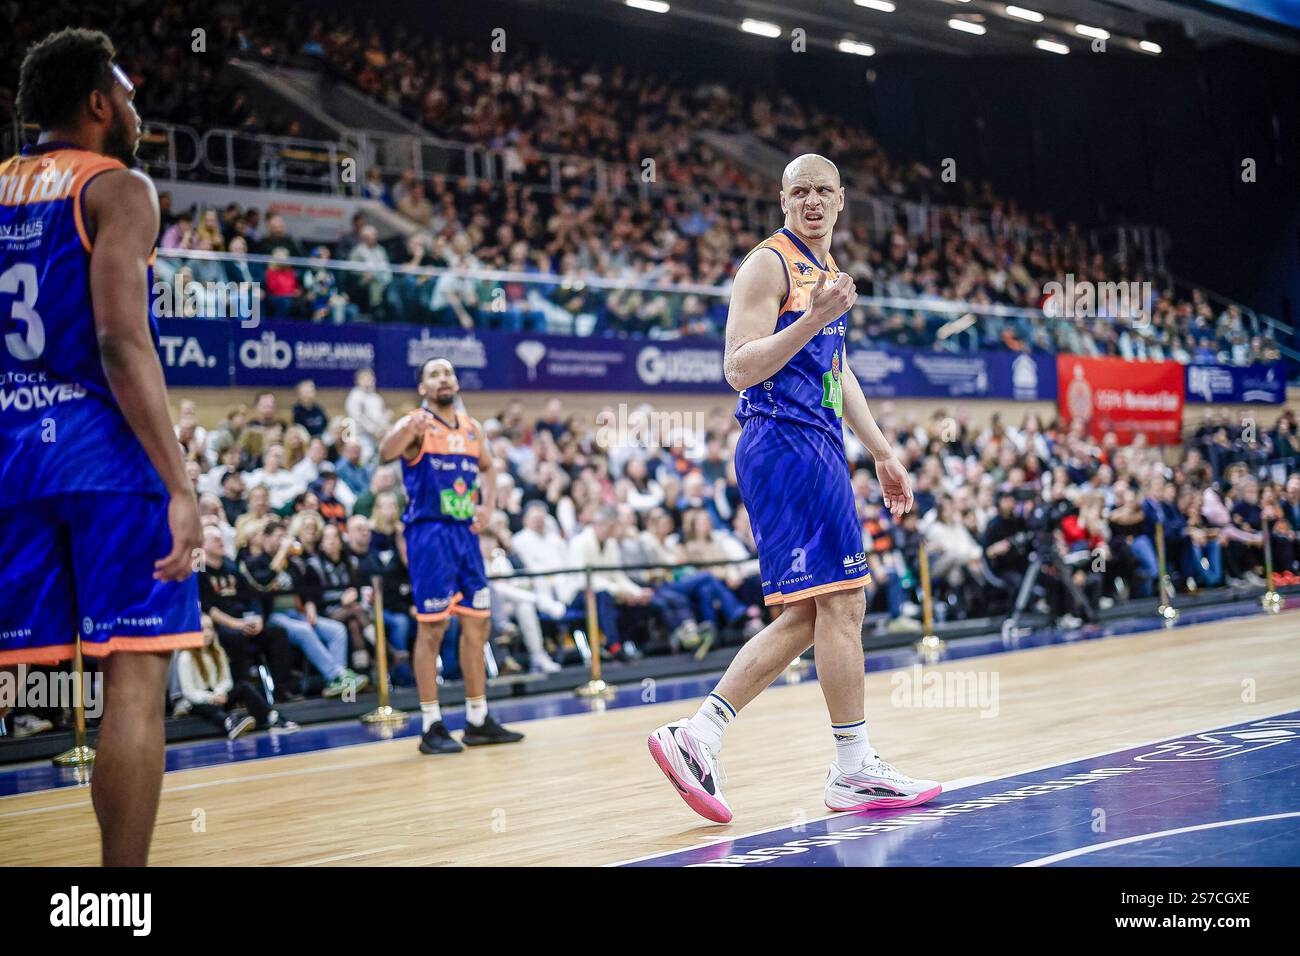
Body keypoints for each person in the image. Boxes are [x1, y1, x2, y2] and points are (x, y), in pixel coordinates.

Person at [646, 154, 939, 823]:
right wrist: (808, 320)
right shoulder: (769, 265)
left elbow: (839, 371)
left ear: (842, 201)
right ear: (783, 199)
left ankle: (699, 737)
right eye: (799, 191)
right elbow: (737, 367)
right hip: (783, 441)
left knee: (813, 614)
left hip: (819, 444)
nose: (812, 201)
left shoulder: (829, 275)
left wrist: (883, 453)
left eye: (823, 192)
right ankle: (853, 767)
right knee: (842, 603)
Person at [0, 29, 203, 866]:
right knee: (132, 678)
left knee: (22, 679)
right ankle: (119, 901)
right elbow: (123, 343)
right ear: (96, 102)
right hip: (105, 463)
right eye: (125, 92)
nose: (135, 107)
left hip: (15, 462)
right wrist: (180, 483)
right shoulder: (119, 188)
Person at [379, 358, 524, 753]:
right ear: (423, 387)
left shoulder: (472, 428)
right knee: (433, 628)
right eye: (434, 375)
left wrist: (488, 506)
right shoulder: (416, 425)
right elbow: (383, 452)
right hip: (429, 534)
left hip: (465, 536)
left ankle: (477, 718)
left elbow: (489, 467)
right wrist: (409, 425)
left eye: (448, 373)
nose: (444, 379)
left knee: (478, 625)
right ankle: (431, 725)